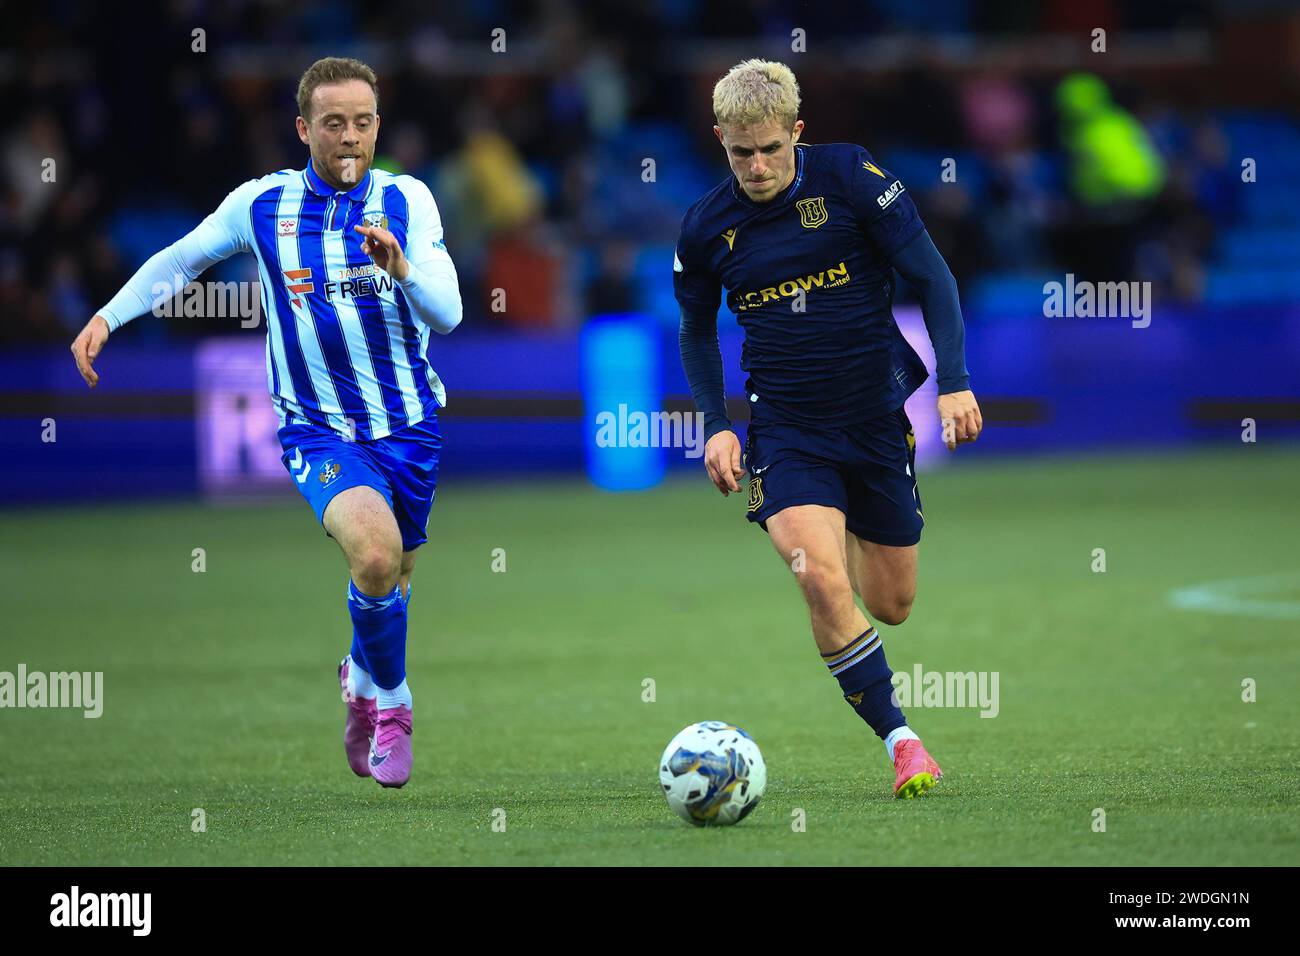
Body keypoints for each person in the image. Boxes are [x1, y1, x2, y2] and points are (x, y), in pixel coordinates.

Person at [69, 57, 463, 789]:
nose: (350, 137)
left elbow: (450, 312)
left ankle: (360, 678)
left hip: (408, 426)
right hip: (315, 427)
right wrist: (107, 316)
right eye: (335, 123)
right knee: (375, 558)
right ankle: (395, 704)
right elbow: (182, 260)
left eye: (364, 122)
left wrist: (403, 270)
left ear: (379, 126)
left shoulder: (408, 201)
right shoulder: (262, 206)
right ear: (303, 127)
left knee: (392, 579)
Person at [674, 59, 982, 798]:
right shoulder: (707, 225)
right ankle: (903, 742)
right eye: (738, 151)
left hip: (876, 422)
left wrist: (956, 383)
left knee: (892, 605)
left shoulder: (851, 178)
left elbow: (933, 277)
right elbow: (694, 332)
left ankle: (839, 521)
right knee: (816, 574)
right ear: (720, 139)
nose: (755, 165)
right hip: (786, 432)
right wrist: (717, 425)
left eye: (769, 149)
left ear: (797, 133)